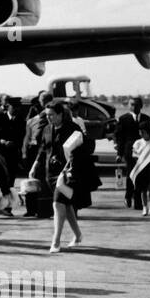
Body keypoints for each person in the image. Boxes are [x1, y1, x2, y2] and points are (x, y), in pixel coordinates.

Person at [29, 100, 88, 253]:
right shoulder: (47, 129)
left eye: (52, 115)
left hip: (67, 173)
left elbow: (83, 149)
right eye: (47, 115)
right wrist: (35, 165)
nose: (49, 118)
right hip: (51, 173)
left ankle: (56, 241)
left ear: (61, 114)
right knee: (66, 206)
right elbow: (43, 149)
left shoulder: (73, 128)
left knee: (57, 204)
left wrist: (71, 167)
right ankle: (78, 235)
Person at [115, 97, 150, 210]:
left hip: (143, 151)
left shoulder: (147, 119)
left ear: (141, 106)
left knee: (141, 176)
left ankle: (137, 202)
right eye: (132, 104)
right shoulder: (123, 119)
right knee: (131, 175)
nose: (134, 107)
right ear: (129, 106)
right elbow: (120, 137)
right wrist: (119, 153)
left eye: (136, 105)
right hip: (129, 152)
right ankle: (128, 196)